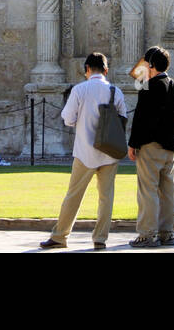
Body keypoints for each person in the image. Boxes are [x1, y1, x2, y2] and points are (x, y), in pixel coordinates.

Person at [40, 52, 128, 250]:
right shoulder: (116, 91)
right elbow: (123, 118)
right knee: (106, 197)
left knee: (74, 195)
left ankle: (60, 235)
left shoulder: (80, 90)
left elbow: (68, 118)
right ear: (106, 70)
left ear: (86, 69)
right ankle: (100, 239)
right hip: (110, 152)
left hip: (84, 151)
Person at [127, 46, 174, 249]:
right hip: (169, 145)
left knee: (147, 191)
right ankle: (167, 233)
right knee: (167, 192)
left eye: (146, 63)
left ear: (151, 65)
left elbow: (141, 118)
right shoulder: (173, 84)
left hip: (150, 145)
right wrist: (147, 67)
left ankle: (147, 234)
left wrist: (133, 144)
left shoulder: (150, 86)